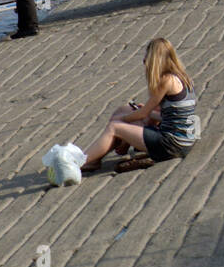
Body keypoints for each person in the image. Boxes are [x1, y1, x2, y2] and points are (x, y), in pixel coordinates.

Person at [81, 37, 198, 172]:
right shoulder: (182, 77)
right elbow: (167, 115)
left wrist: (122, 120)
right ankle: (97, 158)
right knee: (128, 113)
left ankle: (82, 161)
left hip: (172, 144)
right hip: (186, 139)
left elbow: (144, 113)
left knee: (114, 126)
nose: (144, 62)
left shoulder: (166, 81)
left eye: (146, 58)